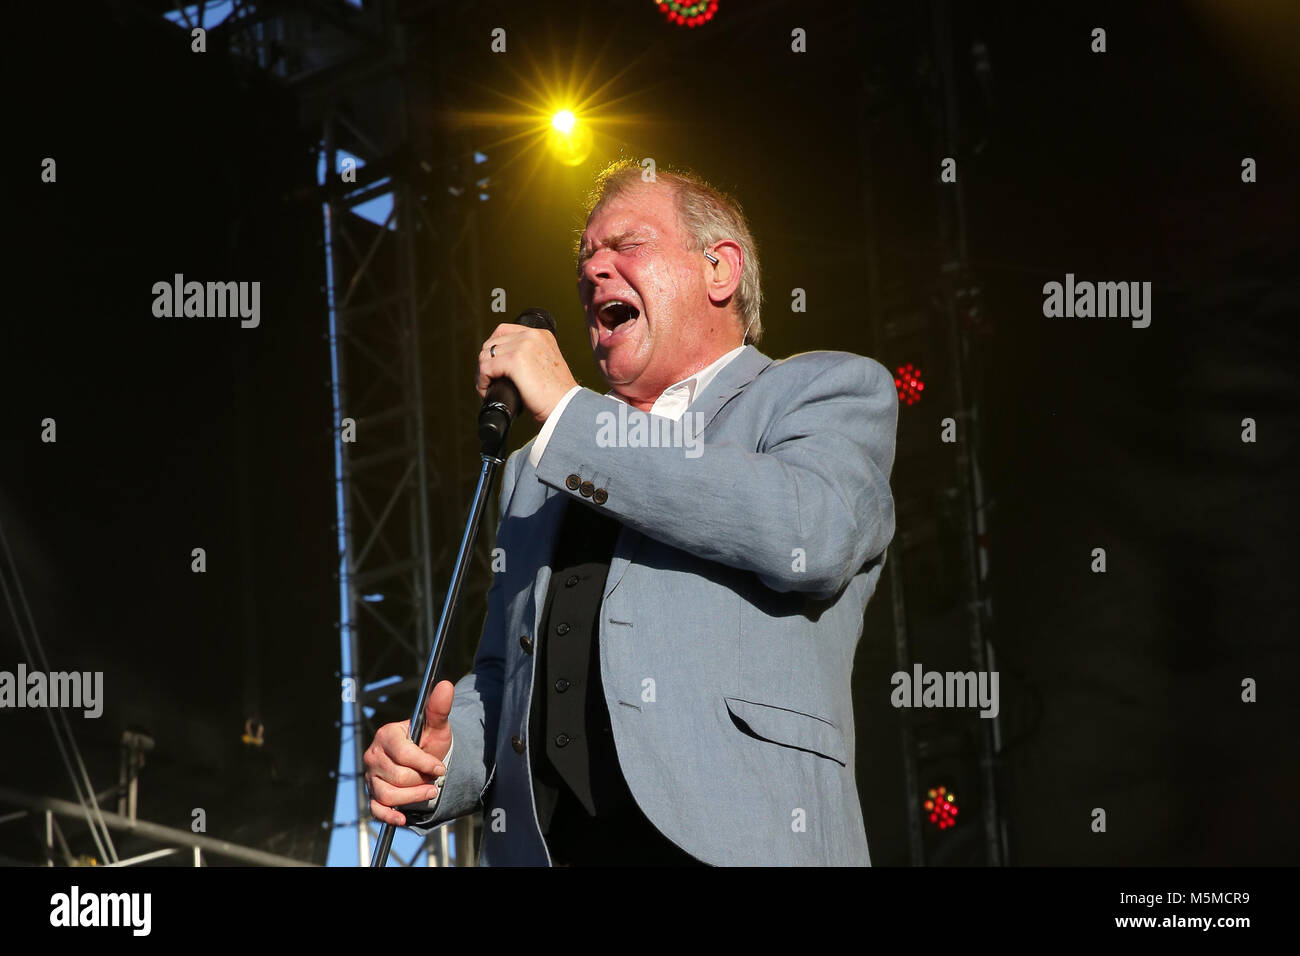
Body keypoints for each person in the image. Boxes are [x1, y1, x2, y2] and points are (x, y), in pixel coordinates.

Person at [363, 159, 898, 865]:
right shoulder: (534, 471)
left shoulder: (821, 392)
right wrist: (438, 761)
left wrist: (569, 412)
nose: (594, 272)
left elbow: (810, 530)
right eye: (585, 258)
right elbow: (504, 676)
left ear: (719, 270)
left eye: (627, 244)